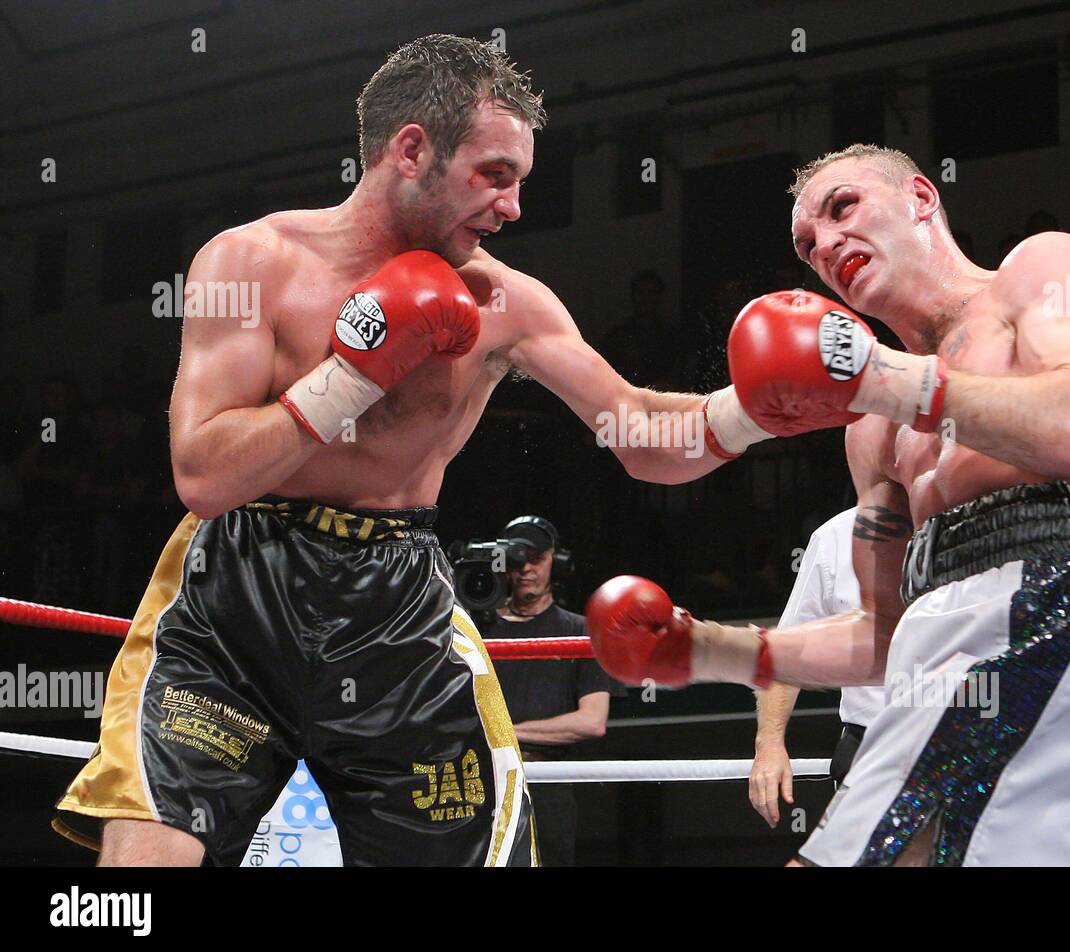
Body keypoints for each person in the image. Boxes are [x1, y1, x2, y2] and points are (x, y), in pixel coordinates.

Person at [55, 34, 750, 867]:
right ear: (412, 149)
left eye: (520, 181)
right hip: (233, 599)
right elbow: (203, 474)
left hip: (398, 613)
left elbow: (638, 433)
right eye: (495, 174)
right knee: (141, 867)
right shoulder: (252, 262)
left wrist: (762, 409)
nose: (513, 207)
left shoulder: (505, 301)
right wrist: (353, 375)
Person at [587, 143, 1070, 867]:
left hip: (1048, 600)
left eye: (842, 207)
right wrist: (707, 650)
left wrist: (880, 376)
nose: (826, 245)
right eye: (807, 244)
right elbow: (885, 639)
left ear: (922, 197)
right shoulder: (871, 430)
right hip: (940, 647)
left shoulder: (1039, 272)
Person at [748, 420, 889, 828]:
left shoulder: (969, 525)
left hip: (959, 739)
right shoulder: (833, 538)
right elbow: (786, 654)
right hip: (868, 748)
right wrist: (769, 744)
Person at [478, 515, 623, 866]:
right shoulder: (476, 631)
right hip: (485, 780)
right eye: (516, 559)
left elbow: (592, 722)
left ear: (555, 562)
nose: (526, 569)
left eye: (536, 558)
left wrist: (507, 735)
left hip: (546, 783)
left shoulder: (581, 631)